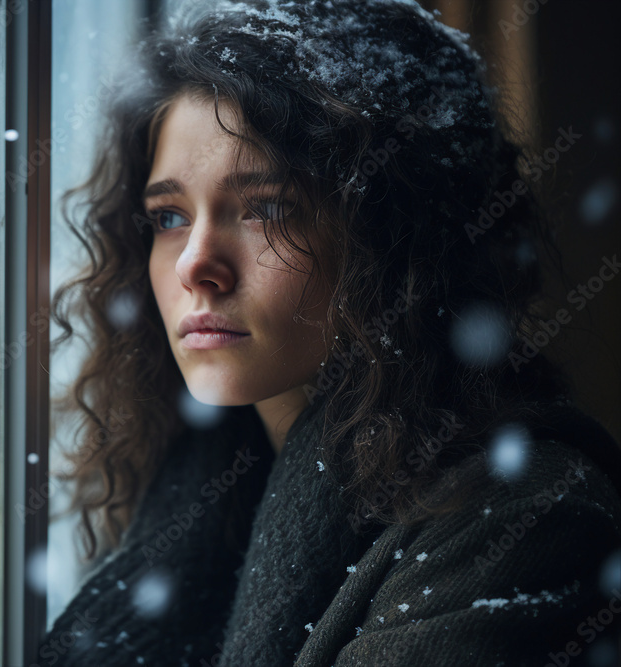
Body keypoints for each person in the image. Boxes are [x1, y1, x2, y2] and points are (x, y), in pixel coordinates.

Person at [35, 1, 621, 665]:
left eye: (269, 209)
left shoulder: (525, 516)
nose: (197, 263)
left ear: (398, 238)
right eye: (169, 217)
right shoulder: (200, 490)